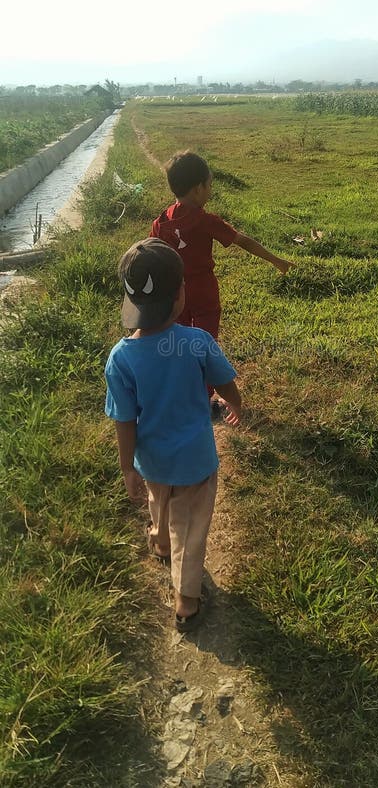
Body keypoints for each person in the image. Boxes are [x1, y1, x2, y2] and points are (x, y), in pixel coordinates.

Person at [104, 238, 241, 632]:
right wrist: (236, 404)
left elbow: (124, 420)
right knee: (192, 528)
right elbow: (224, 382)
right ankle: (186, 599)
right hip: (195, 461)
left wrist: (127, 466)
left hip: (152, 461)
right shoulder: (197, 342)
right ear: (181, 294)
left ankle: (160, 544)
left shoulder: (121, 358)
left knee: (158, 500)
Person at [149, 150, 293, 346]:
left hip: (175, 294)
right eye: (209, 185)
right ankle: (208, 372)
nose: (210, 190)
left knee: (181, 340)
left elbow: (150, 255)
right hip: (204, 292)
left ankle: (186, 371)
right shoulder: (206, 221)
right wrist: (277, 261)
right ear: (197, 189)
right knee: (206, 342)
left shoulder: (161, 222)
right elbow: (244, 241)